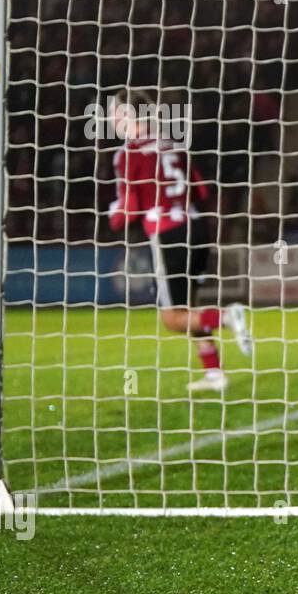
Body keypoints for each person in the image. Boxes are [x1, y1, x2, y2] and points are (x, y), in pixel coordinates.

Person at [107, 88, 252, 392]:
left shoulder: (128, 153)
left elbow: (129, 207)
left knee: (173, 318)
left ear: (127, 115)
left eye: (113, 111)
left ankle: (227, 315)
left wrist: (114, 216)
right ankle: (214, 374)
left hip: (167, 232)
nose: (109, 118)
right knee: (190, 307)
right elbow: (201, 191)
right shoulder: (173, 144)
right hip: (196, 228)